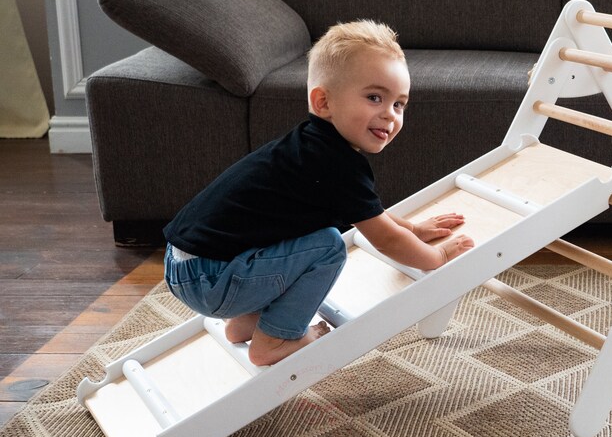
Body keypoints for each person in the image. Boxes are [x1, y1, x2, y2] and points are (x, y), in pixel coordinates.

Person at [163, 20, 474, 366]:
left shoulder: (311, 147)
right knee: (327, 245)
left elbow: (369, 212)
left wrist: (413, 229)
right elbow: (385, 238)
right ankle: (275, 340)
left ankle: (246, 322)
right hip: (211, 279)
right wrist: (438, 257)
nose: (389, 114)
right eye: (375, 97)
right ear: (323, 101)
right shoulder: (337, 164)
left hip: (187, 265)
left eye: (399, 104)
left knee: (297, 240)